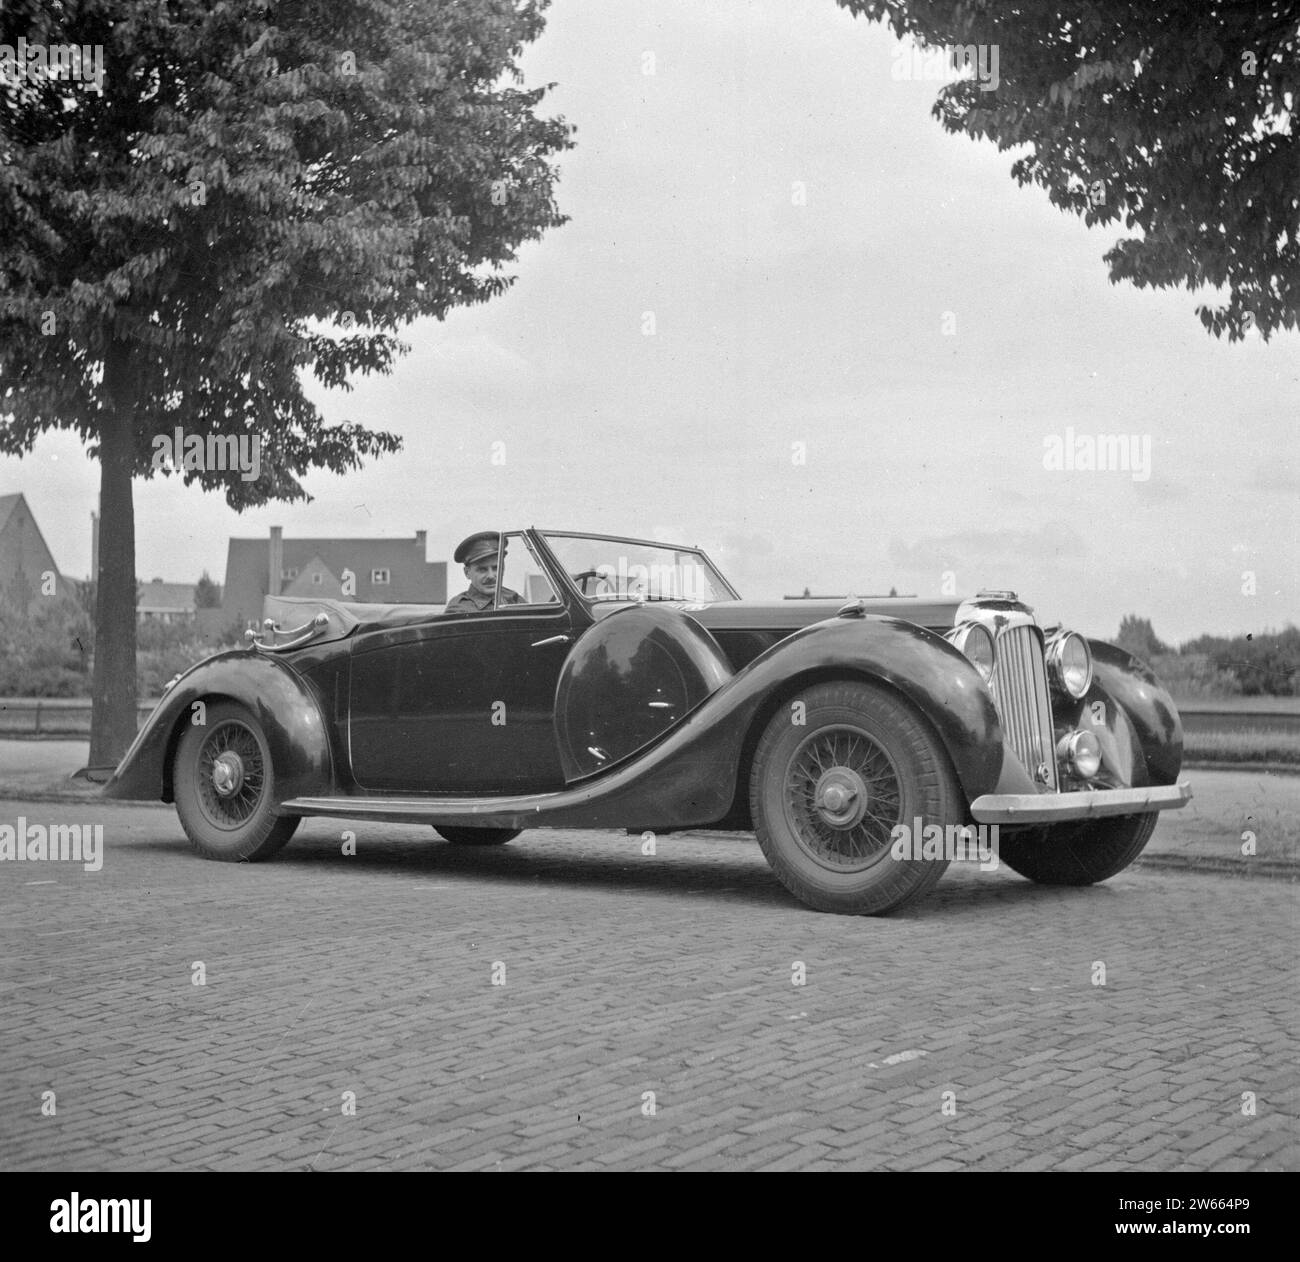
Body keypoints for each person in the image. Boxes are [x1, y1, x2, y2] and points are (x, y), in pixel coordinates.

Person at [446, 531, 525, 612]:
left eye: (495, 568)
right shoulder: (460, 609)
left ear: (503, 569)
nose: (491, 576)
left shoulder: (515, 600)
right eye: (482, 569)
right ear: (467, 573)